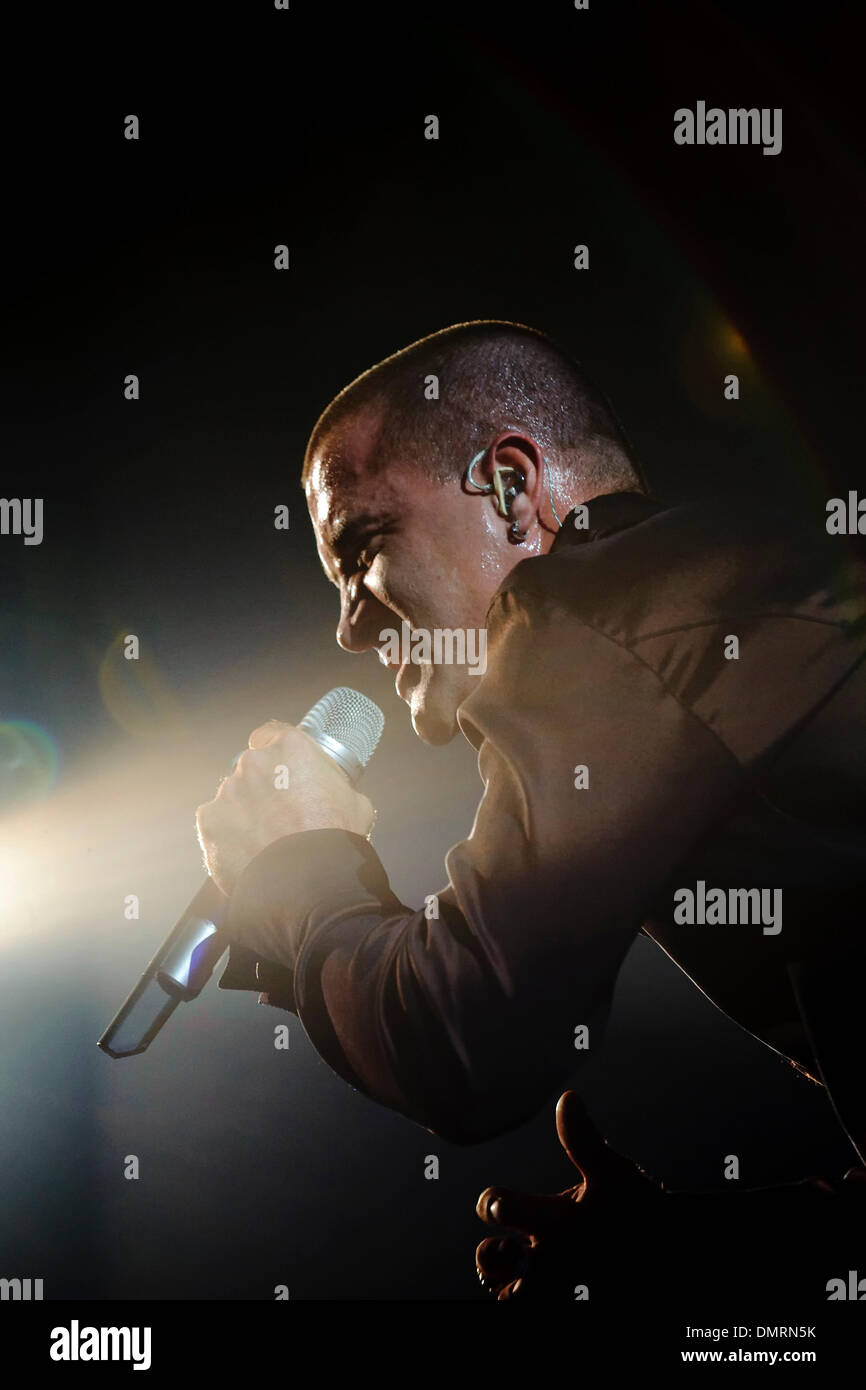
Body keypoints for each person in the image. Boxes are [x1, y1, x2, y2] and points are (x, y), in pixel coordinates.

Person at [196, 320, 866, 1176]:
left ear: (512, 490)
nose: (350, 629)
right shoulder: (707, 602)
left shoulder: (597, 607)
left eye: (363, 550)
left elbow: (461, 1042)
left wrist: (297, 867)